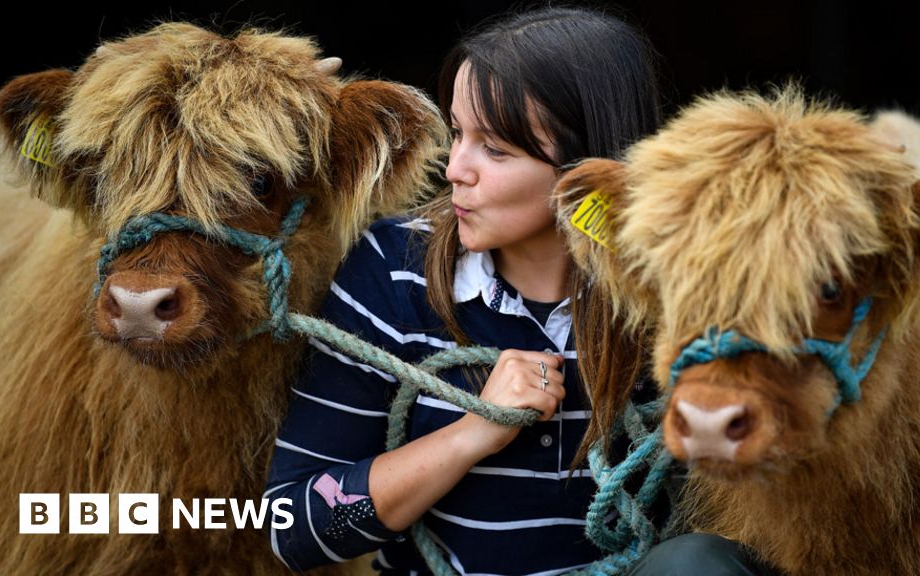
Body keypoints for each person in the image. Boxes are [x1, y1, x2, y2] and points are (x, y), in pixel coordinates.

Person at [265, 6, 778, 575]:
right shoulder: (391, 269)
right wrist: (473, 431)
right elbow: (292, 529)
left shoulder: (679, 293)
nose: (456, 168)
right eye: (459, 133)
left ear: (584, 164)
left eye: (496, 149)